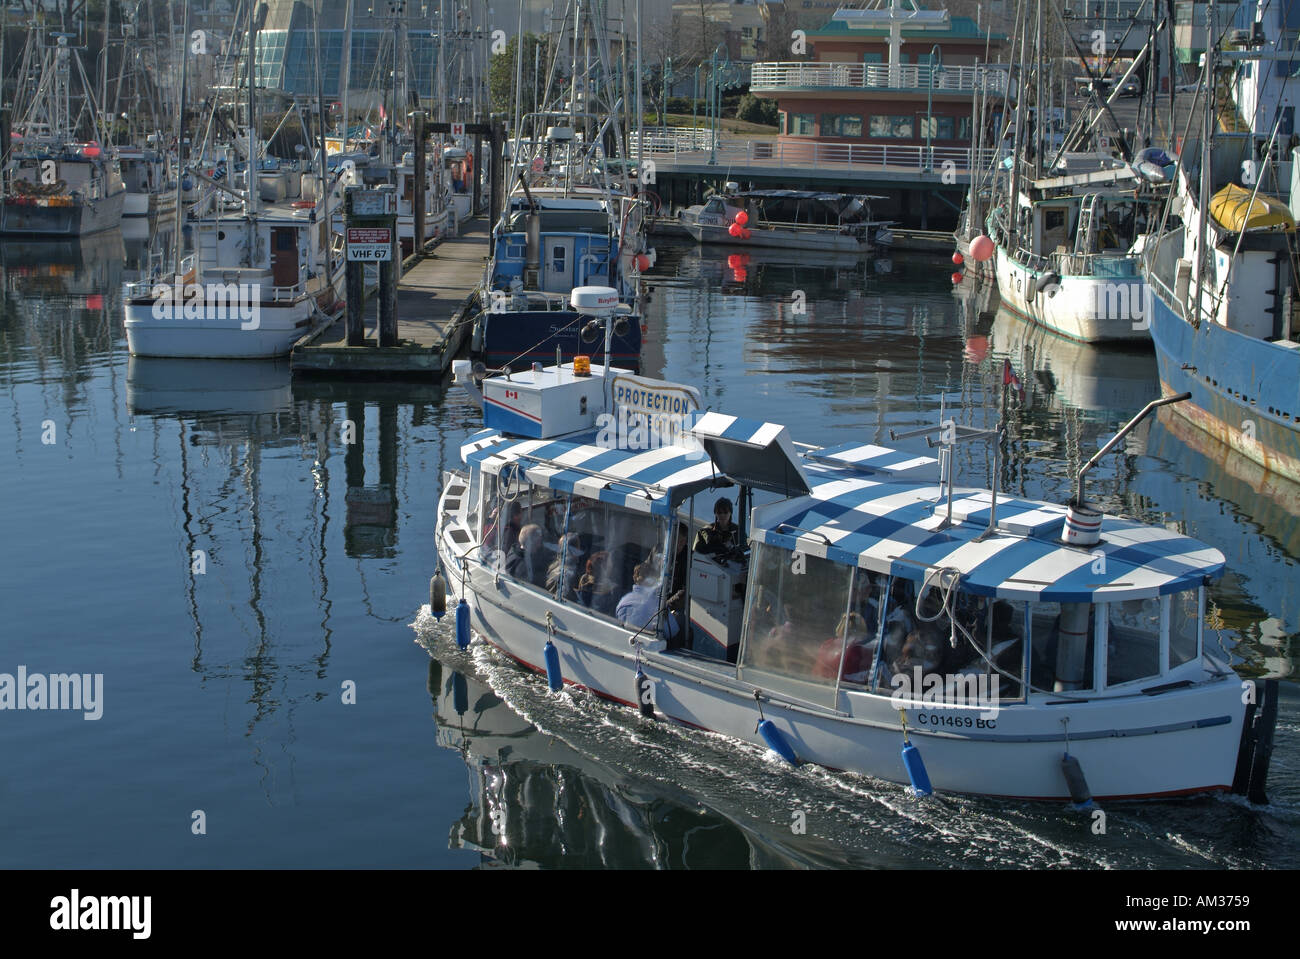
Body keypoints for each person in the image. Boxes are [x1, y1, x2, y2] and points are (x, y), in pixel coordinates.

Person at [616, 563, 661, 631]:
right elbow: (673, 629)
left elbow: (621, 627)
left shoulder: (624, 601)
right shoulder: (658, 604)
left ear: (635, 578)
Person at [505, 524, 548, 589]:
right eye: (538, 541)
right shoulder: (521, 565)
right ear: (530, 543)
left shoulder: (516, 550)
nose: (540, 544)